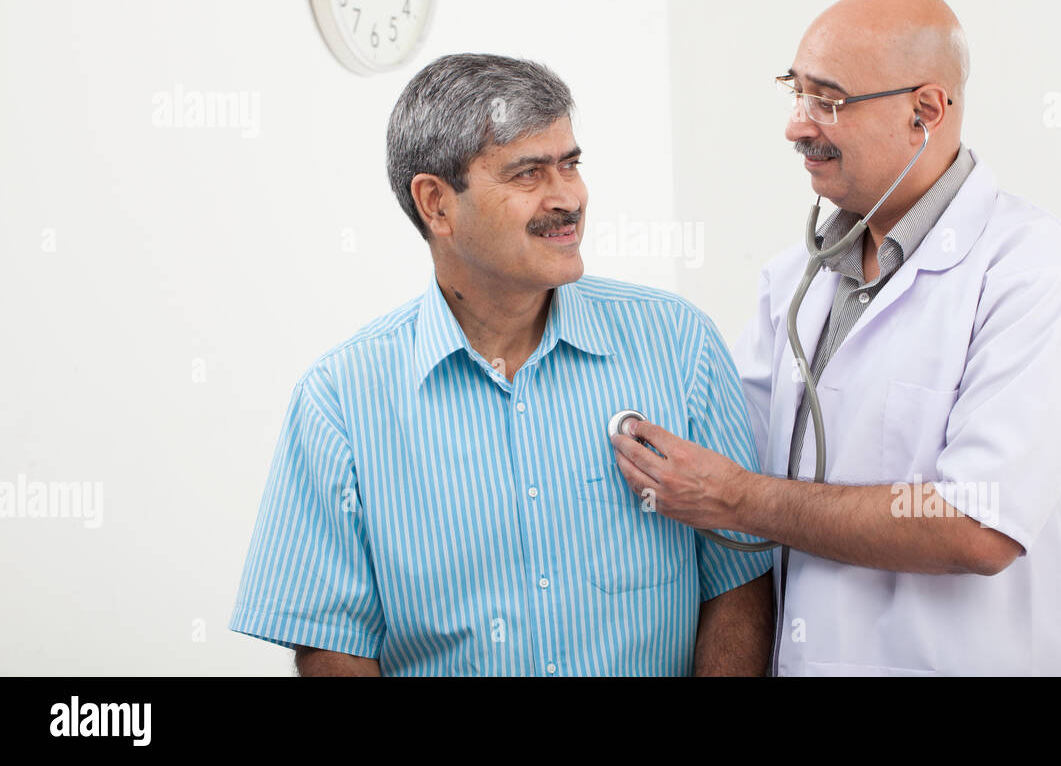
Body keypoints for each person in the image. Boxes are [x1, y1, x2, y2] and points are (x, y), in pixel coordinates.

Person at [611, 0, 1061, 675]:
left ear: (925, 111)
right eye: (795, 93)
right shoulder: (794, 279)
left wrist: (737, 497)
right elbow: (732, 456)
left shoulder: (1035, 271)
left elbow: (977, 526)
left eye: (829, 101)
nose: (796, 125)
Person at [229, 53, 773, 676]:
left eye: (570, 164)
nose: (568, 198)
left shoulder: (678, 345)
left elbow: (740, 578)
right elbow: (330, 643)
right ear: (436, 203)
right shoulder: (340, 401)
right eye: (528, 174)